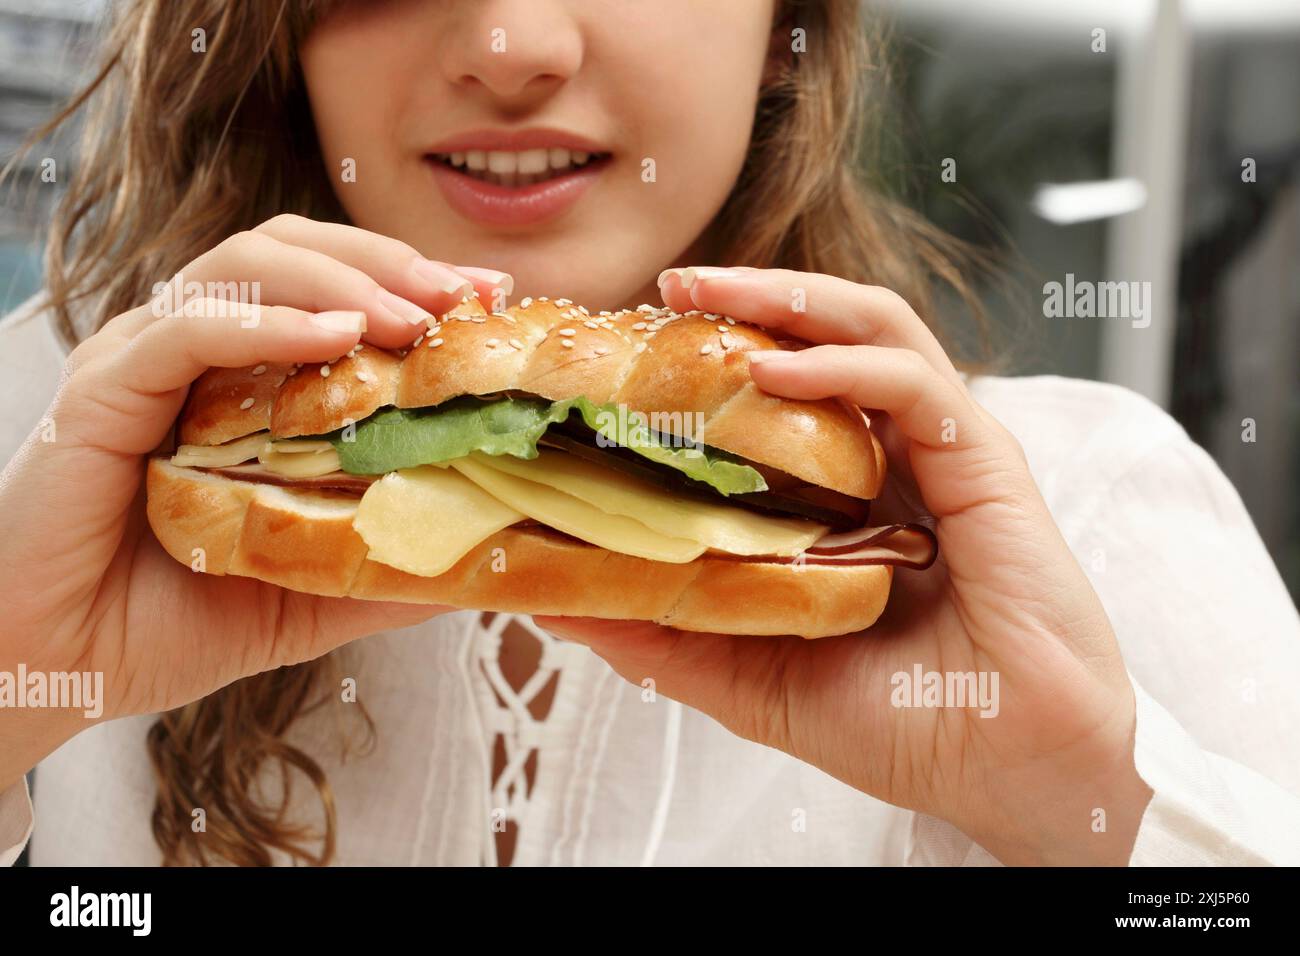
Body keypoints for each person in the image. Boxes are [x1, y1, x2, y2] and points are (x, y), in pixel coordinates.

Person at [1, 0, 1297, 867]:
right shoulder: (70, 431)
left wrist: (1080, 796)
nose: (510, 46)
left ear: (788, 25)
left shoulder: (1083, 503)